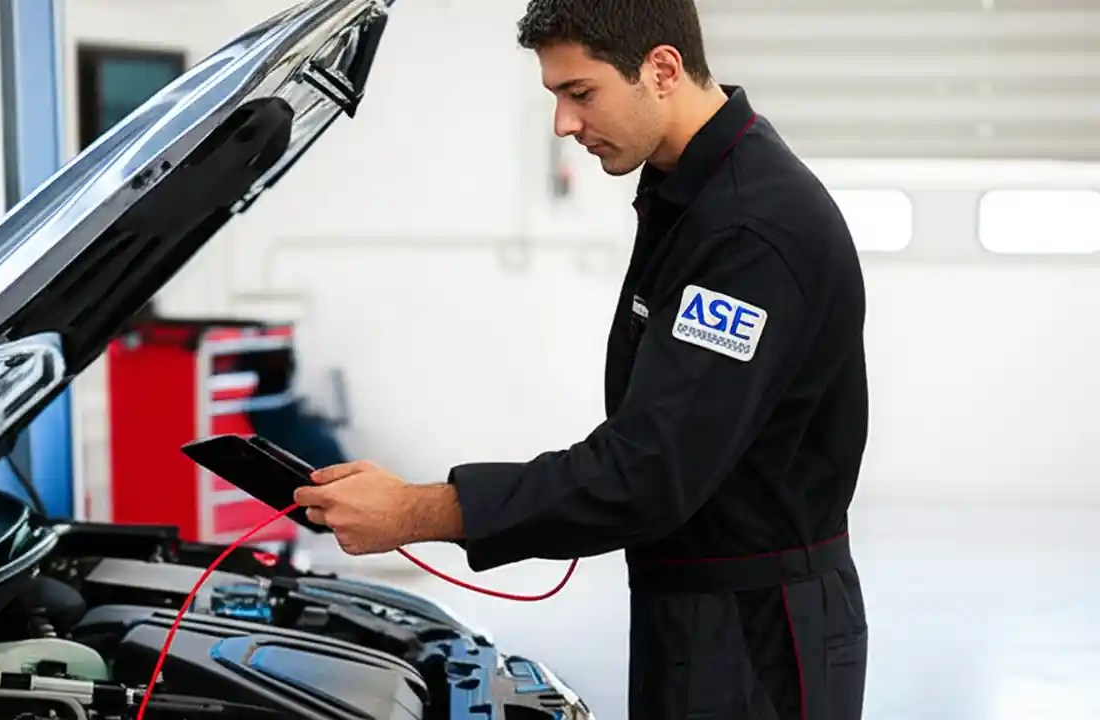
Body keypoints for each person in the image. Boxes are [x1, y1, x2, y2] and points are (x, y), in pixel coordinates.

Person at [294, 1, 870, 718]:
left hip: (757, 635)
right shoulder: (689, 189)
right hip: (701, 603)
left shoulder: (751, 229)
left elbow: (648, 471)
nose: (565, 124)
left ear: (661, 69)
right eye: (557, 97)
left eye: (580, 93)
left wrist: (418, 510)